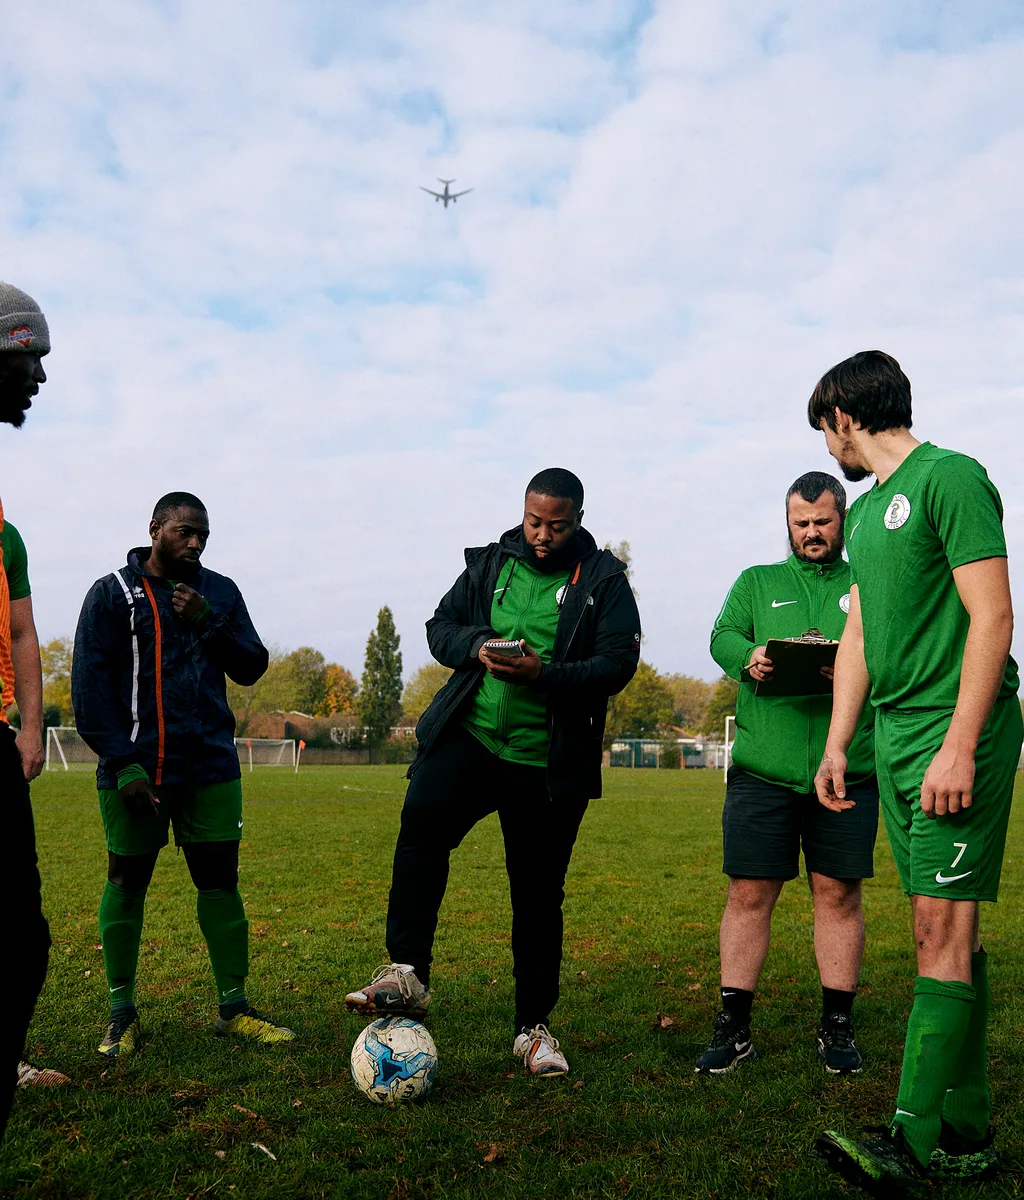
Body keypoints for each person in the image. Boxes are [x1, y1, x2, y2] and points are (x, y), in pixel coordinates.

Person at [345, 468, 641, 1076]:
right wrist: (478, 643)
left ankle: (532, 1030)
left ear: (578, 519)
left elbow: (616, 664)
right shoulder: (491, 563)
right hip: (472, 737)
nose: (541, 535)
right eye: (534, 521)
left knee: (537, 895)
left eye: (555, 526)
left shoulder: (606, 581)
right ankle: (407, 972)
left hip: (547, 762)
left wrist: (544, 676)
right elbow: (439, 627)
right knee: (423, 819)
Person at [809, 351, 1021, 1192]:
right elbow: (859, 636)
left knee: (943, 930)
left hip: (952, 734)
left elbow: (994, 615)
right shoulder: (864, 518)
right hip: (893, 742)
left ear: (843, 417)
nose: (830, 451)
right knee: (944, 928)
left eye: (825, 431)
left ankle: (907, 1141)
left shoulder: (952, 479)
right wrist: (838, 741)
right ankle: (967, 1132)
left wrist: (961, 743)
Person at [72, 493, 296, 1056]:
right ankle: (122, 1014)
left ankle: (234, 1009)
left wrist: (206, 619)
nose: (194, 543)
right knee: (126, 881)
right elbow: (89, 691)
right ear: (155, 530)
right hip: (138, 771)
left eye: (202, 535)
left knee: (221, 881)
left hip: (212, 765)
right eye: (183, 532)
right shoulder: (111, 594)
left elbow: (251, 664)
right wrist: (122, 764)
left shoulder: (219, 591)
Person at [696, 472, 877, 1077]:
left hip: (848, 765)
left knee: (838, 894)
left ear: (842, 519)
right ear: (788, 524)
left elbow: (894, 649)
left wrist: (854, 668)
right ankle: (734, 1025)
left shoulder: (867, 580)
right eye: (801, 523)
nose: (811, 532)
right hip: (763, 769)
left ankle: (837, 1026)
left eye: (822, 521)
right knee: (749, 893)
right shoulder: (757, 582)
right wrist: (748, 658)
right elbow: (723, 635)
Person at [0, 281, 62, 1142]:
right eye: (27, 357)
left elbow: (20, 629)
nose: (39, 374)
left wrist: (25, 725)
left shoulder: (3, 522)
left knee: (21, 943)